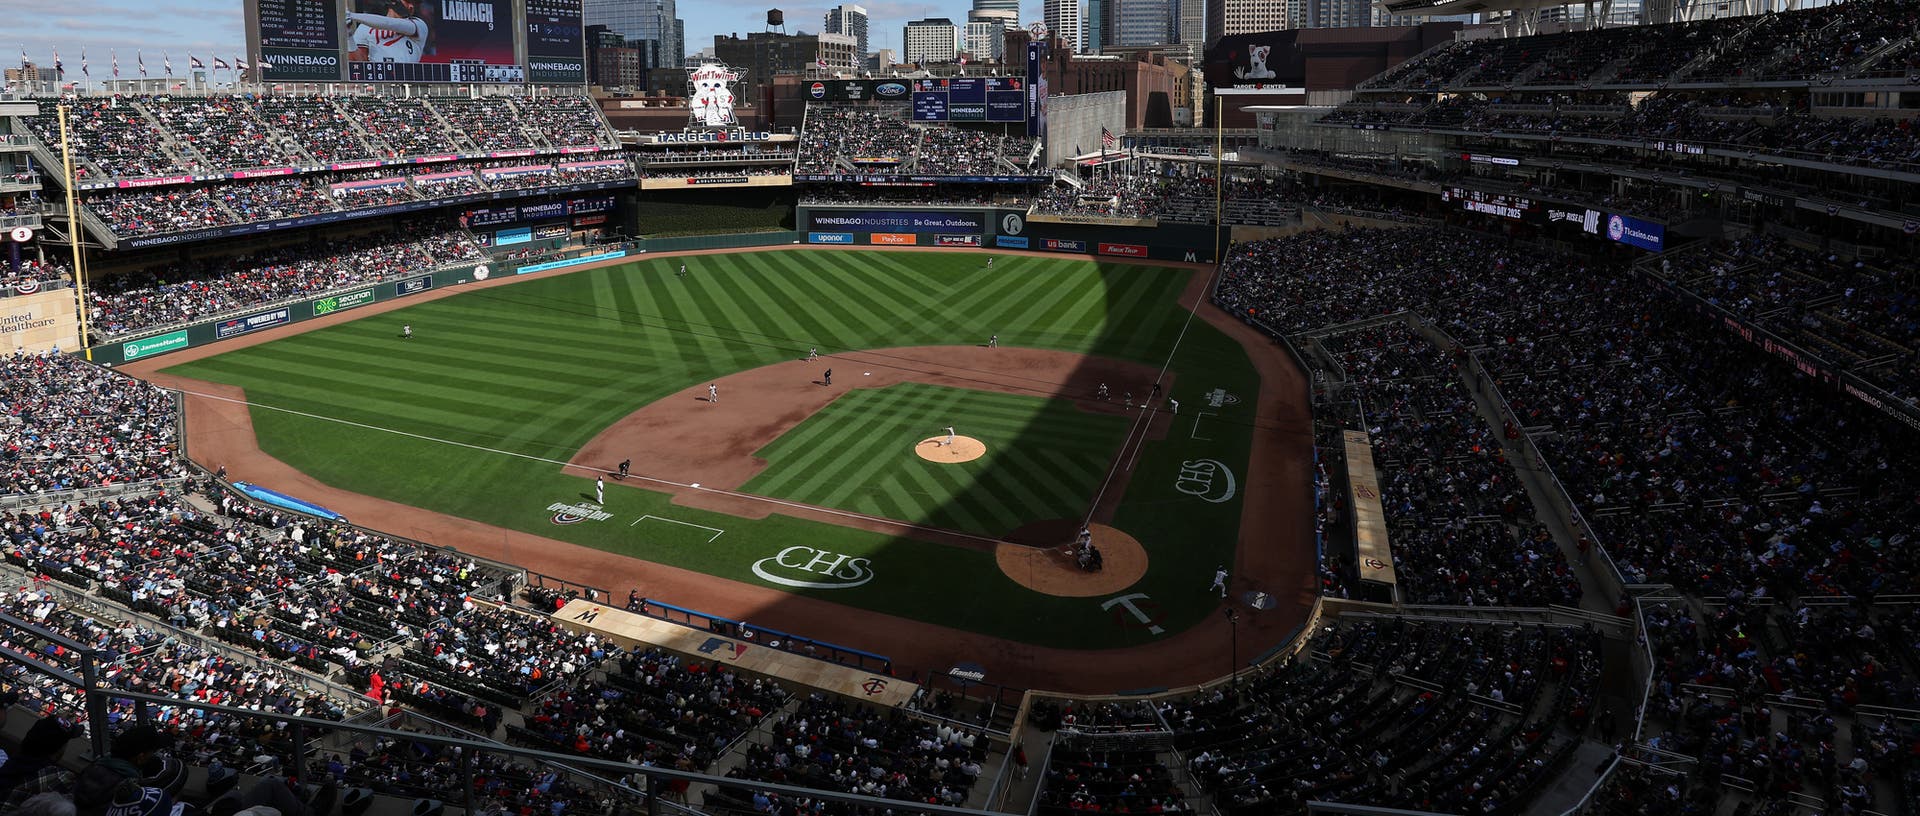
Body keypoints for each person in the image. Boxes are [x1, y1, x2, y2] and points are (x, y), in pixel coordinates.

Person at [347, 0, 429, 64]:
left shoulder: (420, 25)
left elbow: (389, 23)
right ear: (393, 2)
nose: (411, 6)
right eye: (407, 2)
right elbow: (358, 62)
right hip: (379, 81)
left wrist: (351, 15)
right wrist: (349, 35)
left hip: (408, 81)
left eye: (415, 3)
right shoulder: (365, 27)